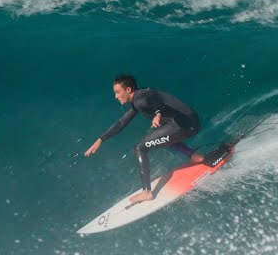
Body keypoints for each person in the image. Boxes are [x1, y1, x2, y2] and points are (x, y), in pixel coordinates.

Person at [84, 74, 204, 204]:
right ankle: (195, 156)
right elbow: (121, 123)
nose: (116, 96)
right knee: (160, 138)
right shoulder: (139, 99)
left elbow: (156, 99)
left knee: (139, 147)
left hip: (183, 124)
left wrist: (158, 114)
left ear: (128, 90)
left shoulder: (141, 99)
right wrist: (101, 139)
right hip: (191, 123)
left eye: (118, 92)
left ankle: (147, 192)